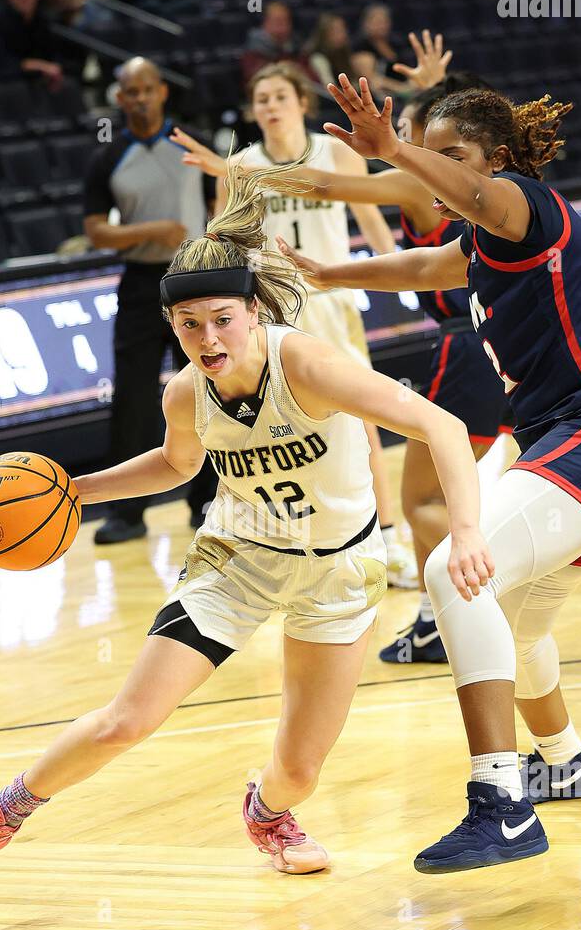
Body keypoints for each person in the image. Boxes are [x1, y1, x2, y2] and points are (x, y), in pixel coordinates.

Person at [0, 156, 489, 874]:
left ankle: (268, 813)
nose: (209, 340)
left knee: (300, 771)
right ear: (172, 326)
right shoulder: (186, 393)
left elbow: (444, 428)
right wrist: (76, 491)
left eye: (222, 320)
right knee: (130, 719)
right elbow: (178, 465)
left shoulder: (307, 365)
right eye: (190, 326)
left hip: (339, 568)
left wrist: (465, 533)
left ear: (254, 311)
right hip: (237, 560)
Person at [280, 73, 581, 872]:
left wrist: (395, 148)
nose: (435, 173)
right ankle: (564, 759)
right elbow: (431, 266)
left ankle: (501, 806)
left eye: (451, 157)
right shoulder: (483, 243)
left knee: (455, 572)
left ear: (495, 161)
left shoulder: (521, 204)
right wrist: (329, 276)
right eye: (428, 159)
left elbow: (470, 198)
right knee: (518, 623)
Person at [171, 59, 417, 588]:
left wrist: (399, 273)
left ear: (302, 103)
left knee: (361, 418)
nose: (271, 107)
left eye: (281, 97)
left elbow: (371, 214)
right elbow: (223, 240)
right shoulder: (239, 165)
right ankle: (266, 538)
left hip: (328, 299)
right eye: (262, 100)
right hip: (267, 310)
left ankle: (388, 537)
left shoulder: (335, 152)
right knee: (266, 426)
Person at [82, 56, 218, 543]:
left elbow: (219, 198)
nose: (139, 98)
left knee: (207, 386)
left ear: (162, 91)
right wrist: (151, 230)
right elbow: (95, 230)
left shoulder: (190, 141)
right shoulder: (107, 156)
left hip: (195, 277)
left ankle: (208, 502)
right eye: (129, 92)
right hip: (141, 283)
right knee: (134, 398)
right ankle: (127, 513)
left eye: (146, 89)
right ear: (119, 99)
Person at [240, 0, 317, 90]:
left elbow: (312, 81)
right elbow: (257, 82)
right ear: (265, 23)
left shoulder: (297, 47)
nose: (283, 26)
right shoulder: (253, 52)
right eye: (277, 21)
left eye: (286, 21)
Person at [304, 13, 357, 91]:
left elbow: (353, 82)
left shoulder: (344, 52)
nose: (343, 33)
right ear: (325, 34)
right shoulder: (318, 58)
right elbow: (330, 89)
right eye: (337, 30)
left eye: (343, 29)